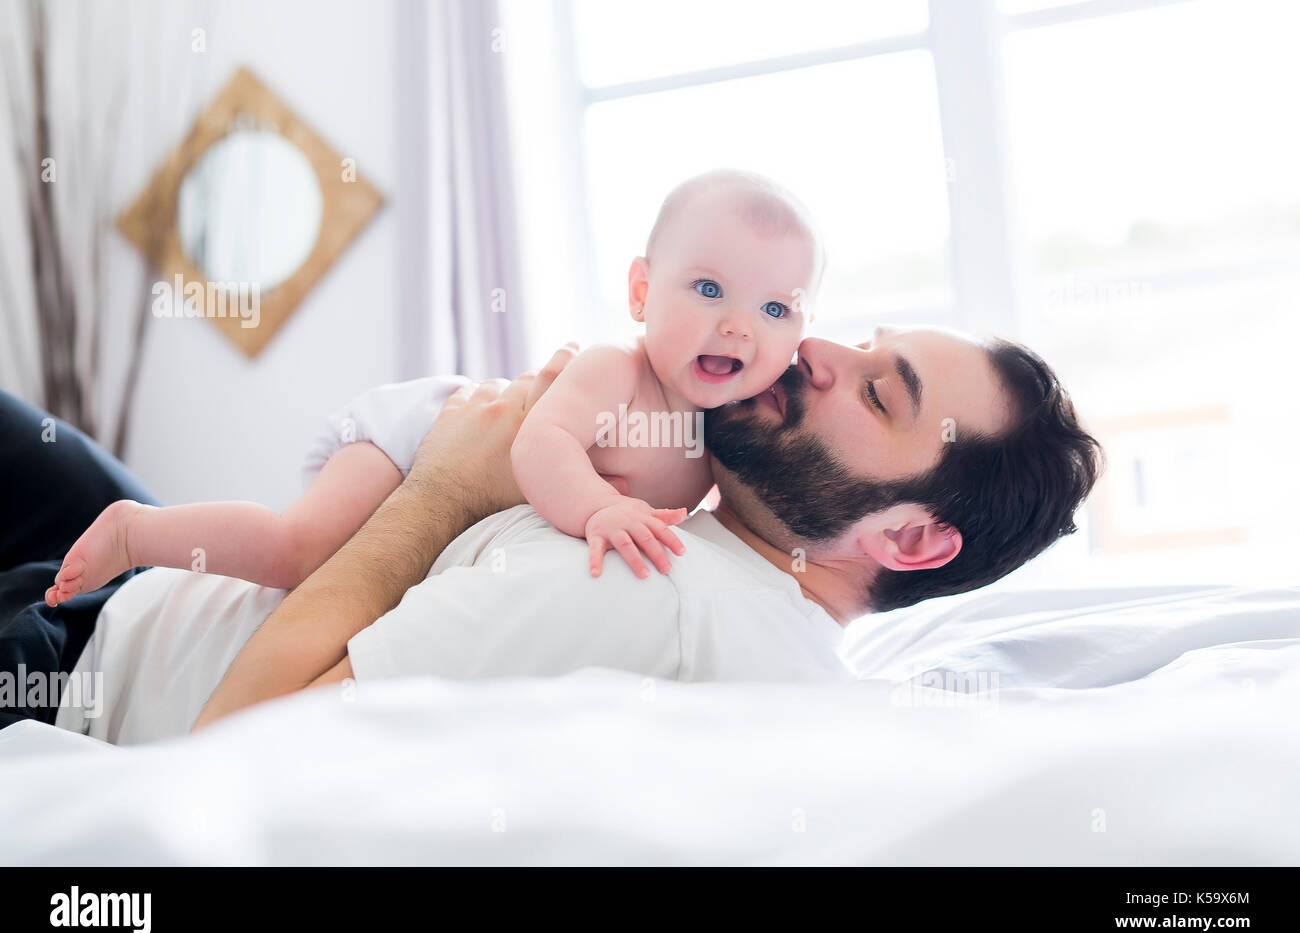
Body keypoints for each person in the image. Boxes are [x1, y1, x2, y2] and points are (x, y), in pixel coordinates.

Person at [1, 325, 1103, 743]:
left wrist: (441, 490)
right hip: (131, 581)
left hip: (71, 656)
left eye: (878, 391)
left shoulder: (658, 595)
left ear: (909, 539)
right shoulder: (711, 545)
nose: (810, 348)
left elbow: (238, 746)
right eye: (859, 343)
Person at [44, 170, 822, 604]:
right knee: (300, 551)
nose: (738, 329)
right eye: (710, 291)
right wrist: (600, 507)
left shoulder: (725, 440)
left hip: (452, 481)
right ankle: (135, 531)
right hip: (418, 434)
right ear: (642, 292)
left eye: (774, 308)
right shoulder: (615, 371)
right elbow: (539, 445)